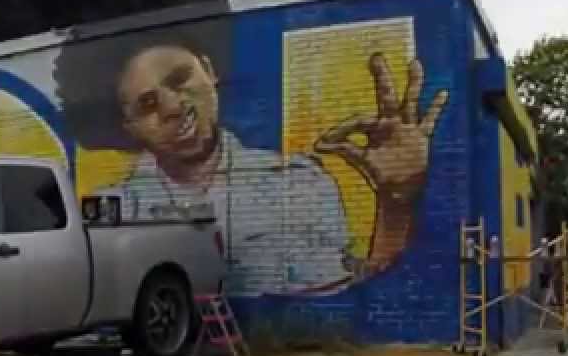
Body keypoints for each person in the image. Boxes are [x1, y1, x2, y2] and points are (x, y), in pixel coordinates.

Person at [54, 20, 448, 297]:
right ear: (129, 127)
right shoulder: (111, 211)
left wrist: (397, 204)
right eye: (147, 104)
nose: (173, 108)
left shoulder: (299, 182)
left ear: (209, 71)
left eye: (179, 80)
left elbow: (357, 280)